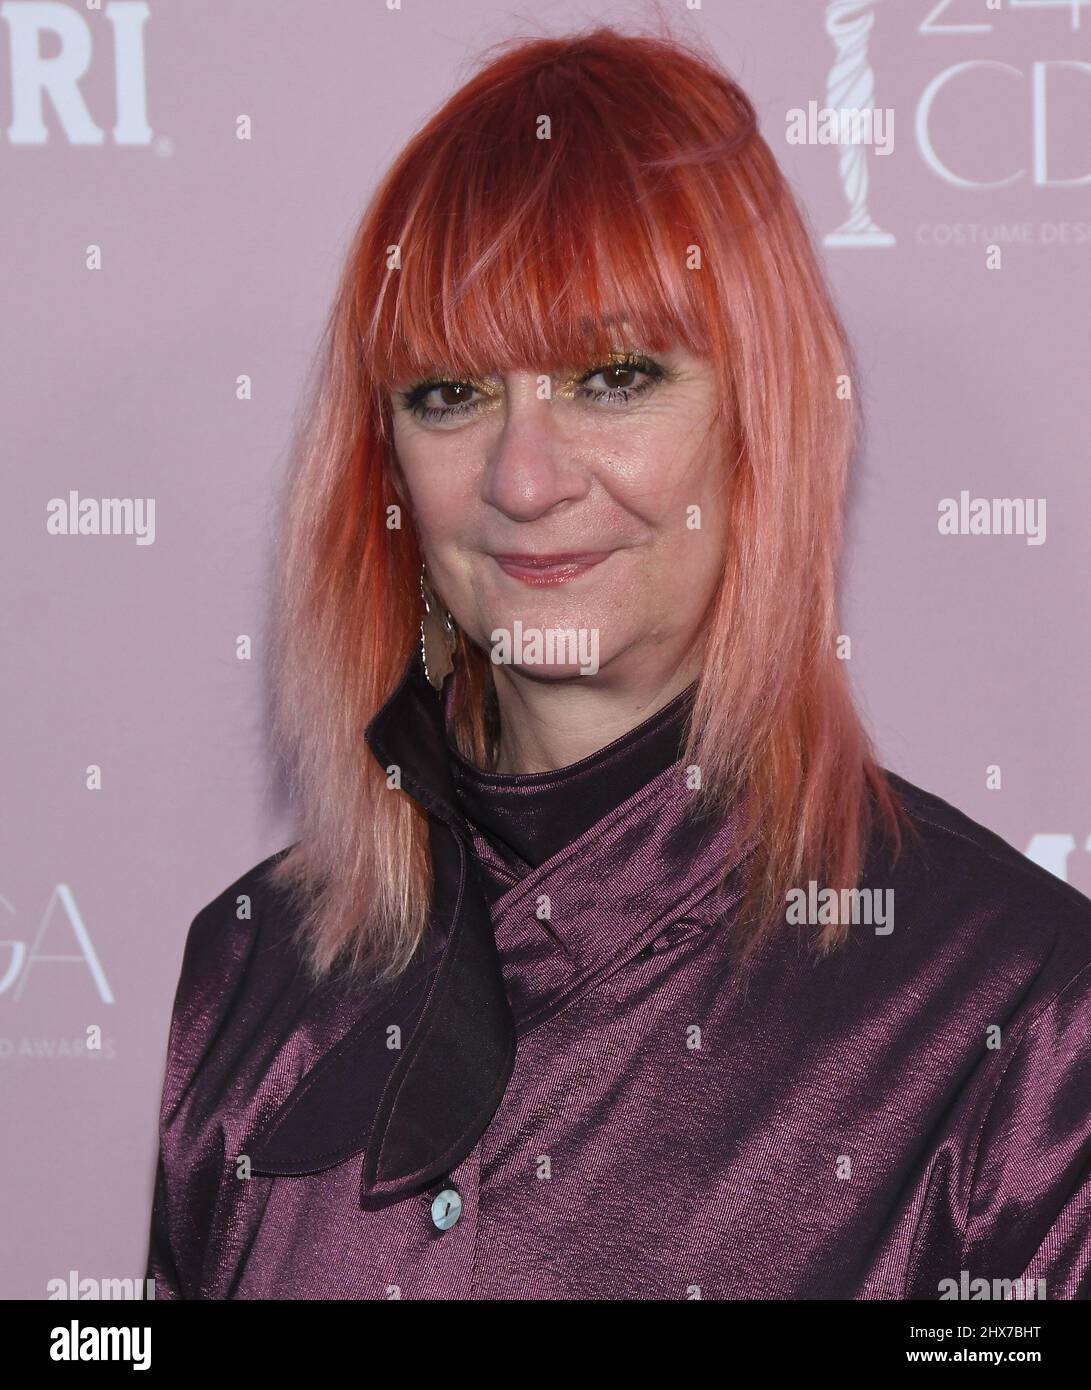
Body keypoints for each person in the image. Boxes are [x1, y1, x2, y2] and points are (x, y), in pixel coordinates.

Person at [145, 24, 1091, 1300]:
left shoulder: (1017, 1013)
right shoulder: (249, 973)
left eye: (613, 374)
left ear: (759, 421)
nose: (522, 480)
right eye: (449, 394)